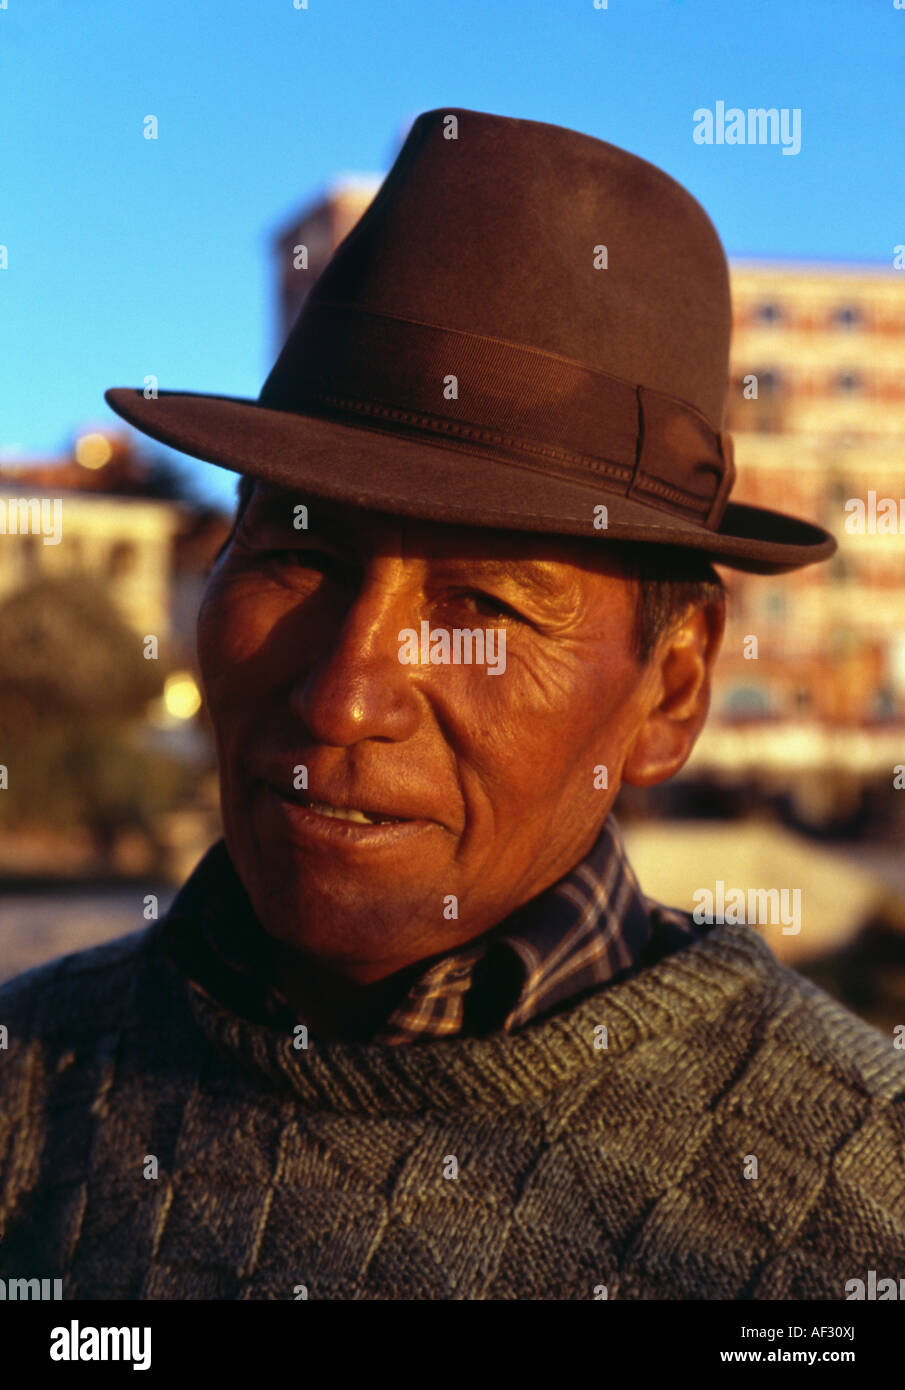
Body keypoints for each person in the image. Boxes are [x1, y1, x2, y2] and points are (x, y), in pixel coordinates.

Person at [1, 107, 902, 1301]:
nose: (342, 695)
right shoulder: (27, 1088)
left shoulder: (854, 1209)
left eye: (481, 605)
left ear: (670, 688)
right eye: (299, 552)